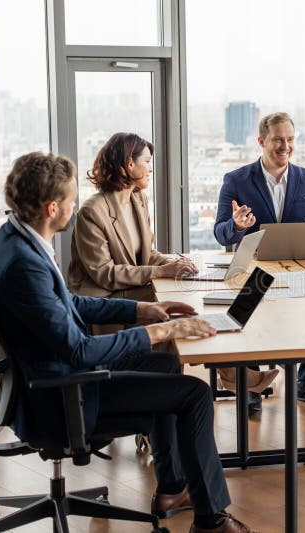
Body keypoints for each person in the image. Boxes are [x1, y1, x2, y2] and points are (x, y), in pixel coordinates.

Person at [0, 152, 257, 533]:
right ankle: (211, 523)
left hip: (46, 377)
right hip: (63, 395)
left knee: (166, 366)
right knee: (193, 395)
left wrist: (144, 310)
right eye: (72, 201)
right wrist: (164, 331)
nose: (75, 208)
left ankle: (173, 488)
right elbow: (79, 349)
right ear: (52, 207)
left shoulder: (11, 241)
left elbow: (69, 304)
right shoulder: (24, 264)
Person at [68, 132, 277, 394]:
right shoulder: (93, 211)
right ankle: (228, 374)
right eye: (146, 161)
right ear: (128, 164)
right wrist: (162, 270)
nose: (151, 168)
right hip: (108, 300)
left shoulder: (137, 199)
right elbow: (104, 274)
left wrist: (175, 261)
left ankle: (229, 372)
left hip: (131, 289)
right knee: (184, 309)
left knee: (191, 301)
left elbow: (144, 254)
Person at [213, 112, 305, 410]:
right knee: (248, 316)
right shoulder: (236, 180)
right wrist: (236, 226)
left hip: (298, 268)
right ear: (261, 141)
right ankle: (251, 387)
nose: (285, 146)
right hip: (254, 270)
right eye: (277, 140)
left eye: (289, 140)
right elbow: (220, 235)